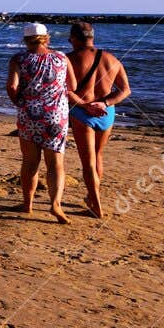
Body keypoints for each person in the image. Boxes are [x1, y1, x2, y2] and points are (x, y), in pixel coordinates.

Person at [6, 22, 78, 222]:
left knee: (30, 162)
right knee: (56, 164)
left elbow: (12, 86)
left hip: (29, 114)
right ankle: (55, 204)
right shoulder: (62, 58)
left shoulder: (19, 59)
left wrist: (19, 102)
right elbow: (72, 86)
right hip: (56, 115)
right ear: (46, 38)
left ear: (26, 39)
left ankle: (27, 204)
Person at [66, 20, 131, 217]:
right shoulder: (112, 59)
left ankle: (96, 204)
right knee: (98, 156)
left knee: (88, 162)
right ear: (92, 37)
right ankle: (91, 197)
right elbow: (125, 90)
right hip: (106, 113)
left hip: (82, 111)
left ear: (73, 39)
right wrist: (105, 103)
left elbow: (66, 90)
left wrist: (86, 105)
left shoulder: (69, 59)